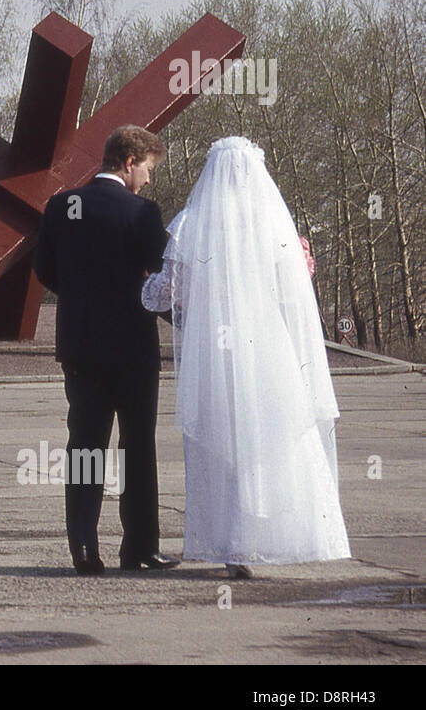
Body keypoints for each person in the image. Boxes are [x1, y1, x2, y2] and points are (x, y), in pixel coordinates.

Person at [141, 137, 350, 578]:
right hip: (265, 340)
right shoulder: (271, 223)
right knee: (268, 439)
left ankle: (232, 543)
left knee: (225, 443)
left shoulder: (190, 223)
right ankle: (266, 537)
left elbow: (162, 294)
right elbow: (295, 287)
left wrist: (146, 288)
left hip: (216, 350)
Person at [33, 125, 180, 576]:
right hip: (133, 348)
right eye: (149, 169)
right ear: (130, 161)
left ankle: (83, 548)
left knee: (84, 447)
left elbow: (44, 272)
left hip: (81, 348)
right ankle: (138, 549)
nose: (150, 180)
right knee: (138, 448)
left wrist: (80, 298)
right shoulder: (142, 213)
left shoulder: (62, 205)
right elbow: (162, 283)